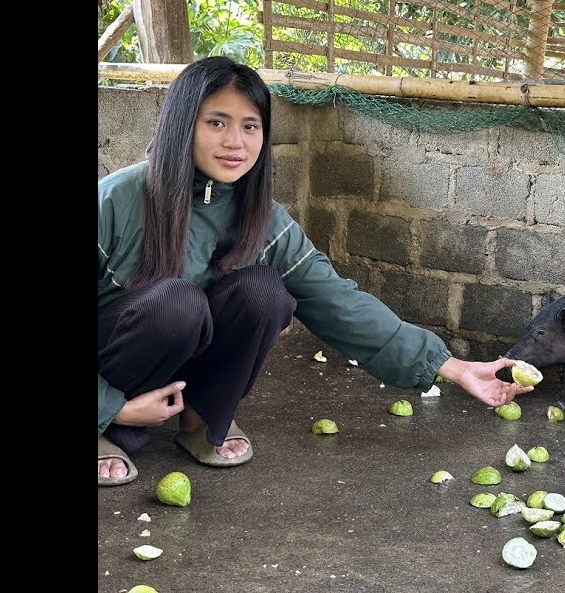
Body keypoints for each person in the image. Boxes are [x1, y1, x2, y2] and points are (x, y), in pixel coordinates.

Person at [98, 56, 533, 486]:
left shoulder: (261, 218)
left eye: (250, 126)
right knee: (178, 303)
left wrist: (451, 366)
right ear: (181, 125)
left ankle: (204, 417)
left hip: (178, 372)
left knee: (263, 293)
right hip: (111, 370)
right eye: (216, 122)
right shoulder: (116, 200)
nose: (236, 141)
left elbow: (337, 301)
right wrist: (111, 407)